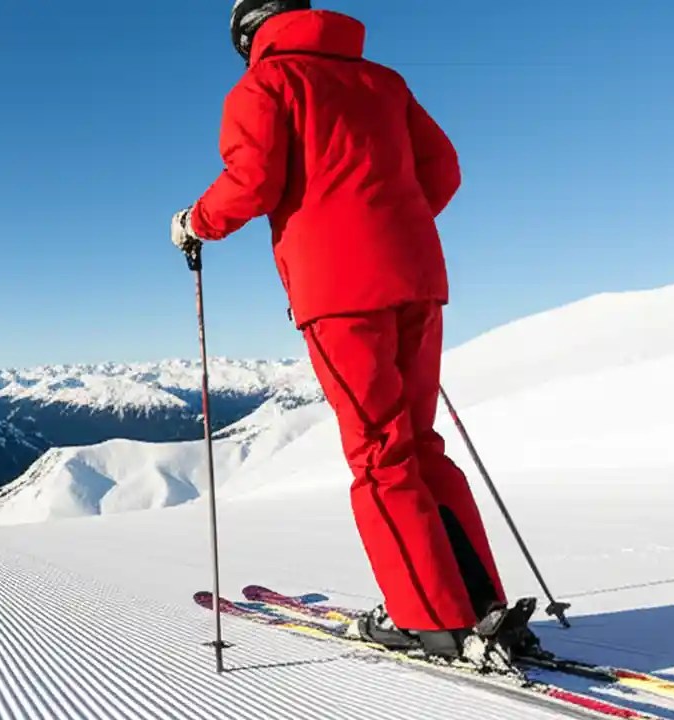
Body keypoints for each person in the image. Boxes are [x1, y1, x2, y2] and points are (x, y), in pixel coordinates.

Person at [170, 1, 509, 659]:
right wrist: (390, 226)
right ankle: (478, 603)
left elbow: (253, 180)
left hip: (339, 294)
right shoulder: (384, 82)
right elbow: (443, 171)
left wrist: (194, 222)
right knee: (419, 444)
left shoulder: (264, 85)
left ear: (247, 35)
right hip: (417, 279)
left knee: (381, 455)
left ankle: (428, 620)